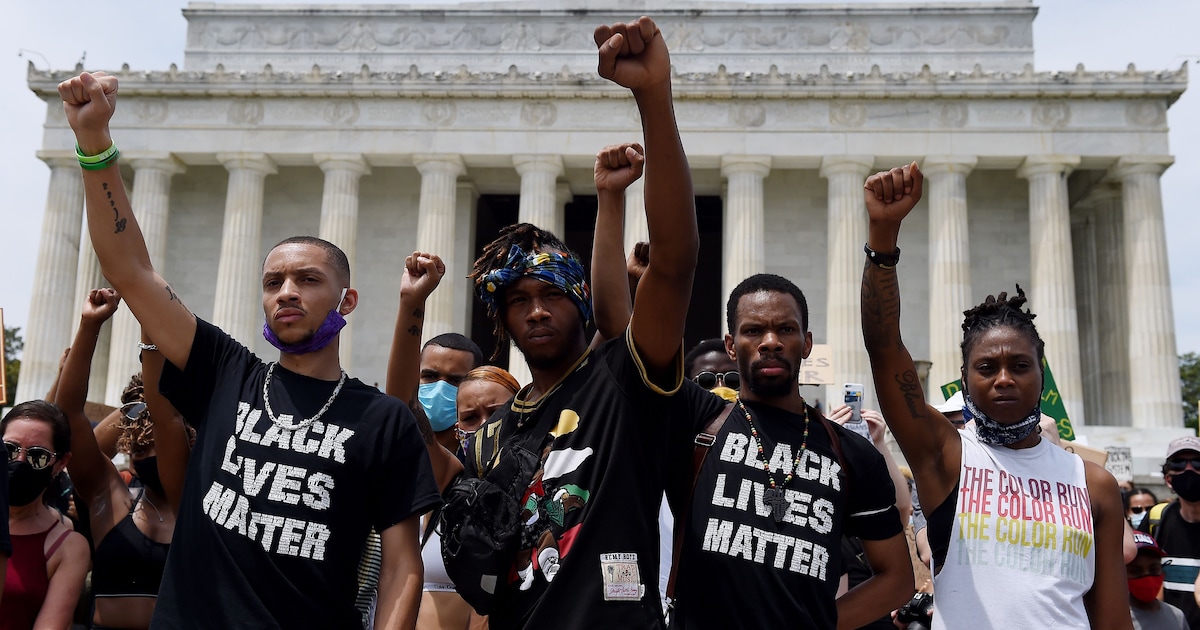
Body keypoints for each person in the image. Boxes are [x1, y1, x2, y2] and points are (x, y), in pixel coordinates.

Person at [57, 70, 440, 628]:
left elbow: (402, 567)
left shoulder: (382, 419)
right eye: (273, 282)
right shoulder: (225, 373)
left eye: (308, 280)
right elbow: (131, 270)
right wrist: (95, 145)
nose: (286, 292)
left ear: (347, 300)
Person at [455, 15, 700, 628]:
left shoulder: (621, 387)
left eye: (552, 295)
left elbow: (673, 263)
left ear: (582, 301)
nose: (536, 310)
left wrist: (653, 99)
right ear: (502, 320)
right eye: (519, 301)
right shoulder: (489, 435)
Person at [860, 162, 1130, 629]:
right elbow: (884, 351)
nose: (1004, 378)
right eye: (986, 368)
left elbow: (1111, 619)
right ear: (965, 381)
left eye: (1020, 366)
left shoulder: (1094, 485)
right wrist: (883, 238)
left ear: (1041, 375)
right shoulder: (945, 457)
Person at [665, 275, 914, 629]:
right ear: (731, 345)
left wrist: (820, 624)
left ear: (807, 342)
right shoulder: (698, 423)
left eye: (786, 329)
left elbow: (898, 579)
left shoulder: (852, 454)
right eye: (753, 331)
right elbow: (638, 353)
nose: (771, 342)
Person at [52, 288, 190, 629]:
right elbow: (67, 417)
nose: (153, 458)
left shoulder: (213, 506)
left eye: (162, 446)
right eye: (140, 450)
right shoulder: (109, 499)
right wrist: (89, 326)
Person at [1, 401, 90, 630]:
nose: (19, 462)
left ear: (60, 463)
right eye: (10, 449)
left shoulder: (68, 547)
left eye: (37, 456)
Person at [1139, 436, 1200, 628]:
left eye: (1198, 462)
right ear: (1168, 479)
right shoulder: (1157, 519)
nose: (1189, 469)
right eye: (1179, 463)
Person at [1127, 531, 1188, 630]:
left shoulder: (1177, 617)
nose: (1147, 576)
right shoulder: (1115, 619)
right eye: (1136, 571)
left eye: (1154, 569)